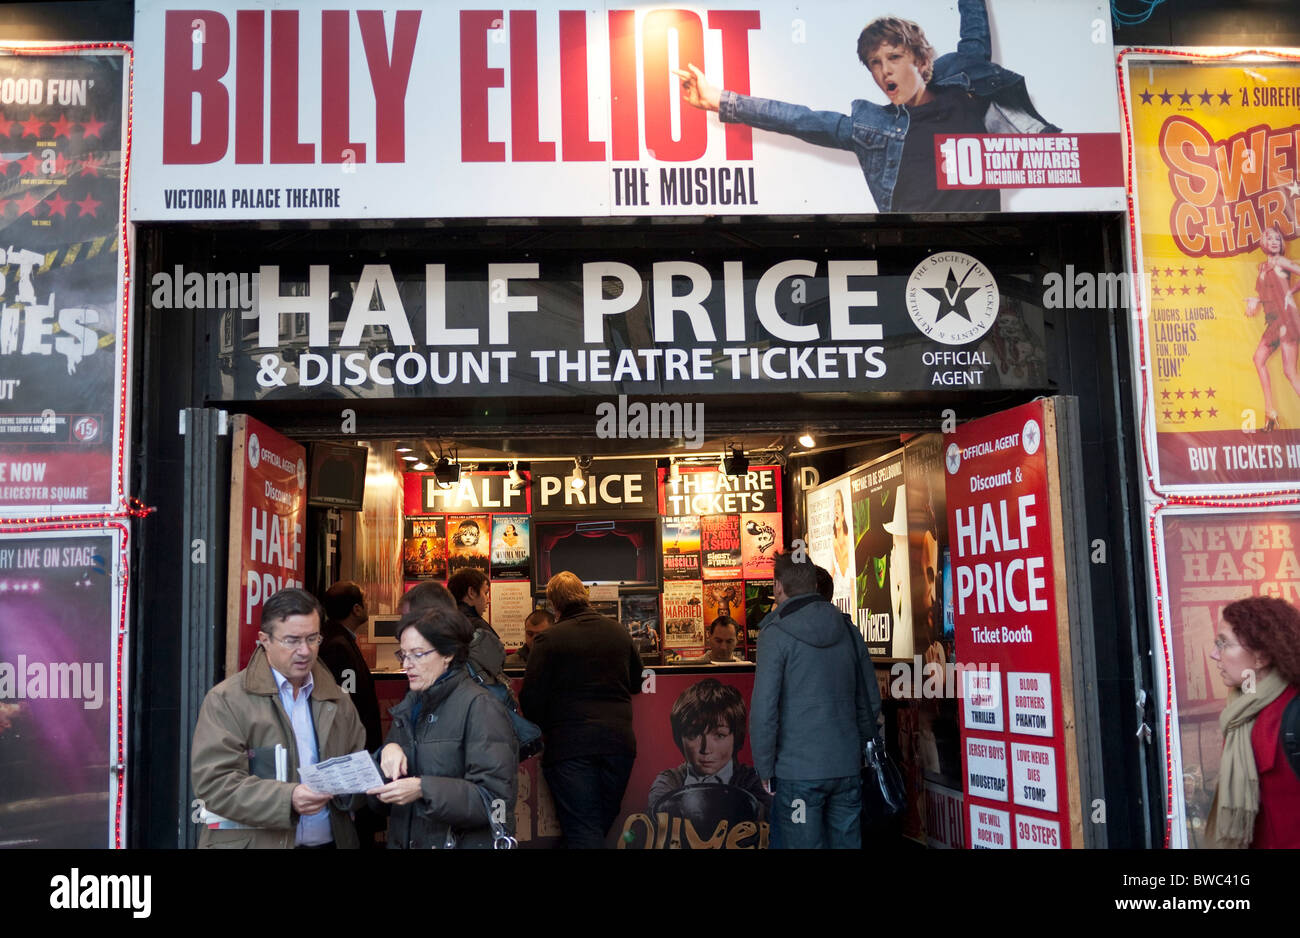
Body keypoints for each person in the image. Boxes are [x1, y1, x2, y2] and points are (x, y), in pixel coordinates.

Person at [674, 0, 1056, 213]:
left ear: (922, 61)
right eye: (875, 63)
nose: (885, 71)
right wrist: (720, 101)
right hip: (913, 248)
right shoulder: (873, 129)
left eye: (894, 57)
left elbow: (973, 28)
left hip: (985, 238)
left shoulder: (966, 90)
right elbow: (801, 119)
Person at [191, 588, 366, 848]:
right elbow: (215, 783)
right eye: (292, 640)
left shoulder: (337, 699)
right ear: (265, 640)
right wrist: (288, 798)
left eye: (312, 638)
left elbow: (356, 767)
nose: (305, 651)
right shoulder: (227, 700)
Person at [750, 552, 876, 849]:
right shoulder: (848, 629)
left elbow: (764, 710)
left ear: (778, 586)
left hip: (797, 774)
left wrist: (764, 768)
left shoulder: (775, 633)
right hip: (846, 768)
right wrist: (862, 748)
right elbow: (869, 700)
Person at [367, 607, 519, 848]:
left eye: (417, 654)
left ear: (448, 654)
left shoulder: (480, 707)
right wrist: (384, 754)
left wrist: (423, 789)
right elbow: (379, 800)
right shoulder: (410, 707)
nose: (407, 664)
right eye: (403, 655)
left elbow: (497, 803)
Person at [519, 571, 643, 848]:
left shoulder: (548, 640)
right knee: (593, 828)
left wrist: (548, 726)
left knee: (583, 831)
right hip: (618, 745)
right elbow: (636, 683)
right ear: (584, 596)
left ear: (554, 604)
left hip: (570, 747)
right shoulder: (619, 631)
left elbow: (531, 699)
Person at [1205, 595, 1300, 848]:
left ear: (1262, 657)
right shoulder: (1238, 713)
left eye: (1224, 644)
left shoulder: (1293, 711)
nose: (1214, 654)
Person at [319, 581, 385, 849]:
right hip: (353, 755)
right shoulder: (339, 646)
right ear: (356, 609)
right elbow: (348, 705)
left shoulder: (339, 640)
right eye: (365, 601)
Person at [648, 678, 771, 818]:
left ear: (736, 738)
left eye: (719, 735)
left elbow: (772, 823)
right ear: (680, 738)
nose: (706, 749)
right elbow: (656, 822)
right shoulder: (668, 781)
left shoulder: (753, 780)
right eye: (694, 734)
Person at [1245, 224, 1300, 432]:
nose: (1274, 241)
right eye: (1270, 238)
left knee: (1290, 372)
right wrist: (1254, 301)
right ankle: (1270, 414)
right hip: (1273, 320)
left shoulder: (1281, 261)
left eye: (1277, 238)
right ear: (1263, 243)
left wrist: (1290, 292)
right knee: (1258, 359)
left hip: (1287, 319)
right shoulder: (1262, 267)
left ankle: (1271, 415)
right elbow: (1265, 294)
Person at [447, 568, 508, 685]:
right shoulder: (477, 626)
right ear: (472, 593)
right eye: (485, 593)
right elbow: (496, 665)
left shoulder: (439, 622)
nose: (488, 600)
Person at [682, 617, 749, 664]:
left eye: (729, 642)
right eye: (718, 641)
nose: (723, 647)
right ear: (709, 637)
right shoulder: (694, 668)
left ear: (737, 640)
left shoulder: (743, 669)